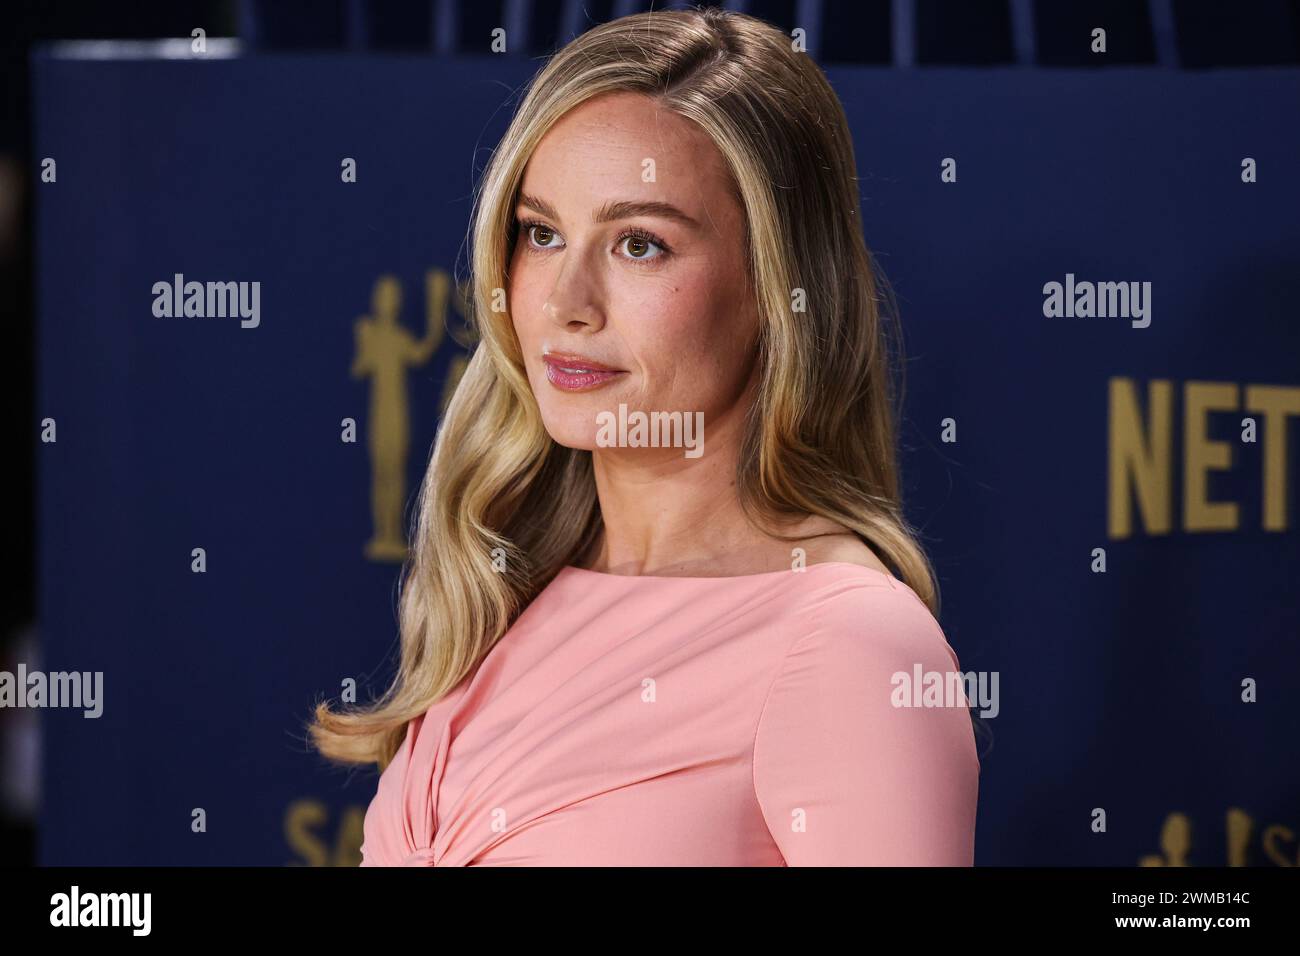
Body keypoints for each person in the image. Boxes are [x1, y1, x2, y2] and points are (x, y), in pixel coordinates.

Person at [309, 6, 980, 866]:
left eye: (639, 244)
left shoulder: (851, 648)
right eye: (541, 233)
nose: (563, 303)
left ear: (779, 288)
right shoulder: (503, 596)